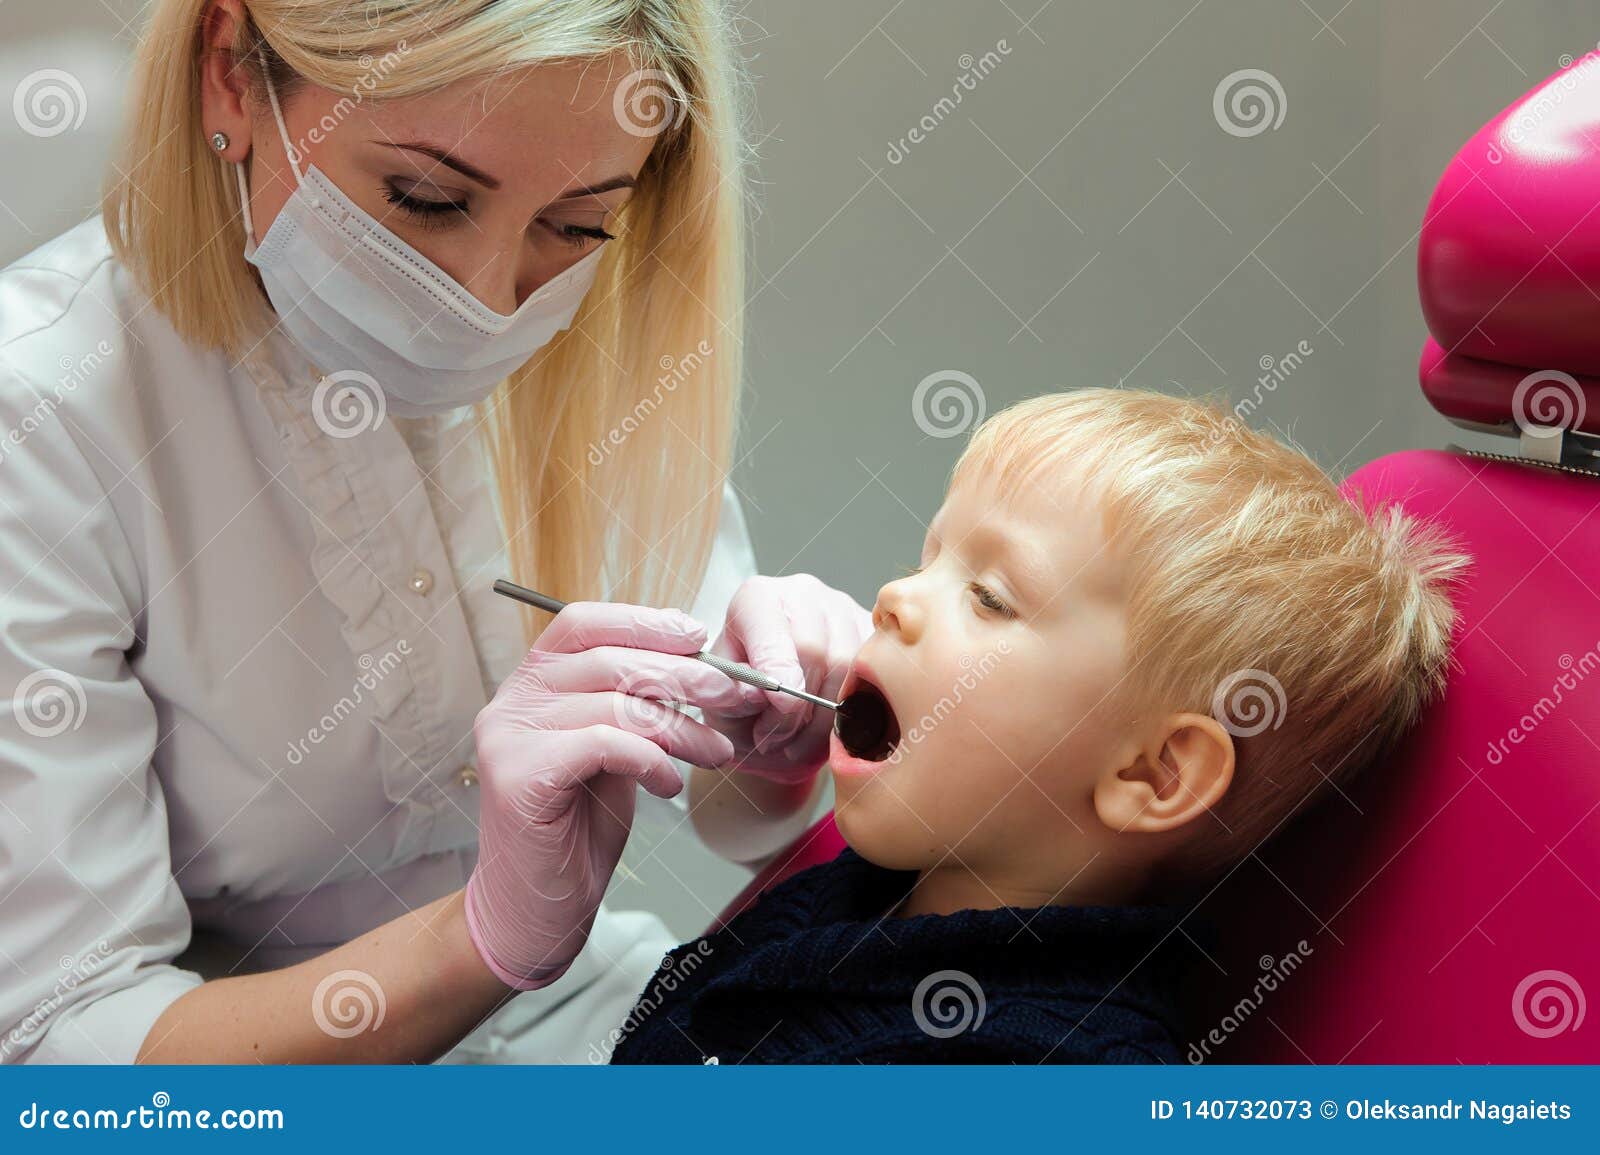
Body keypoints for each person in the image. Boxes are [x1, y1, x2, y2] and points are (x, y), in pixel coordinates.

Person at [0, 0, 870, 1065]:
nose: (491, 302)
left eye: (576, 224)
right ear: (231, 74)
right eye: (425, 198)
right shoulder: (42, 418)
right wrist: (483, 939)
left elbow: (729, 786)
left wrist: (774, 747)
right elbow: (57, 1057)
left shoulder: (579, 344)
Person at [608, 388, 1470, 1063]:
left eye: (989, 596)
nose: (895, 598)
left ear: (1153, 775)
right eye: (927, 557)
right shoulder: (868, 900)